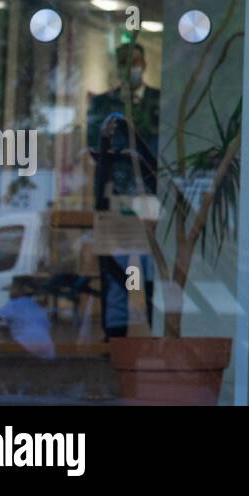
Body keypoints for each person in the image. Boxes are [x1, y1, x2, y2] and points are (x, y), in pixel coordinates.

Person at [85, 41, 159, 341]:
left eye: (137, 61)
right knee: (115, 269)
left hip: (151, 194)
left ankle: (158, 327)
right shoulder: (103, 104)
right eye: (126, 62)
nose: (132, 68)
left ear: (145, 64)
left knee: (152, 268)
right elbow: (95, 144)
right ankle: (114, 334)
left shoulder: (159, 101)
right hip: (115, 194)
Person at [0, 277, 56, 361]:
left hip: (27, 346)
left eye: (12, 291)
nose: (9, 294)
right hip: (48, 349)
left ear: (19, 293)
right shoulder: (37, 307)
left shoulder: (14, 304)